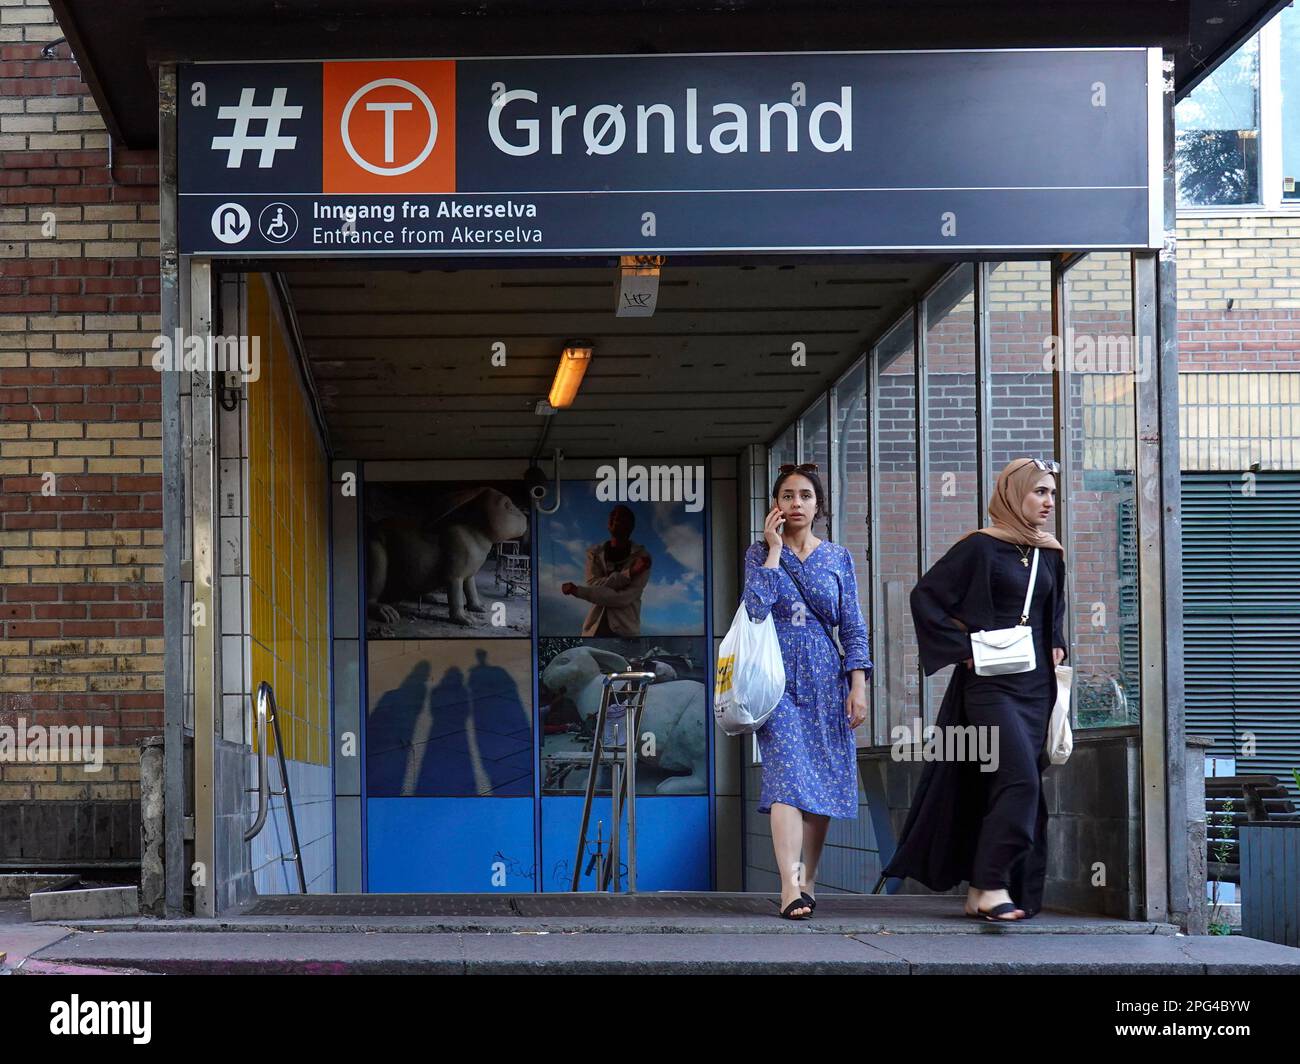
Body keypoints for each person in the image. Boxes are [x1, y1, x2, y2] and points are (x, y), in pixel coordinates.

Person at [879, 457, 1069, 922]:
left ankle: (981, 891)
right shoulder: (980, 548)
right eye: (1039, 491)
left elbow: (1053, 612)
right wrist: (963, 647)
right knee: (1019, 780)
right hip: (990, 687)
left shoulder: (1050, 551)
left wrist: (1059, 644)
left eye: (1051, 493)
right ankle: (989, 884)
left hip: (1037, 689)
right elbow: (926, 596)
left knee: (1014, 784)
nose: (1049, 502)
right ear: (1013, 493)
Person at [742, 463, 872, 920]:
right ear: (775, 505)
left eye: (805, 496)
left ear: (818, 506)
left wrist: (858, 684)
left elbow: (853, 624)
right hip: (775, 679)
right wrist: (774, 552)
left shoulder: (838, 557)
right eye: (787, 496)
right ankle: (788, 887)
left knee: (821, 782)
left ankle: (808, 879)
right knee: (786, 779)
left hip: (825, 679)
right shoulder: (758, 554)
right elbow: (756, 609)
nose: (796, 503)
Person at [561, 503, 652, 637]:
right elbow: (593, 585)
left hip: (626, 632)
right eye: (612, 515)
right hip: (594, 630)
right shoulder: (595, 553)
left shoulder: (642, 558)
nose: (615, 519)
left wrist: (577, 591)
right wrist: (630, 573)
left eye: (621, 516)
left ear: (630, 525)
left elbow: (623, 598)